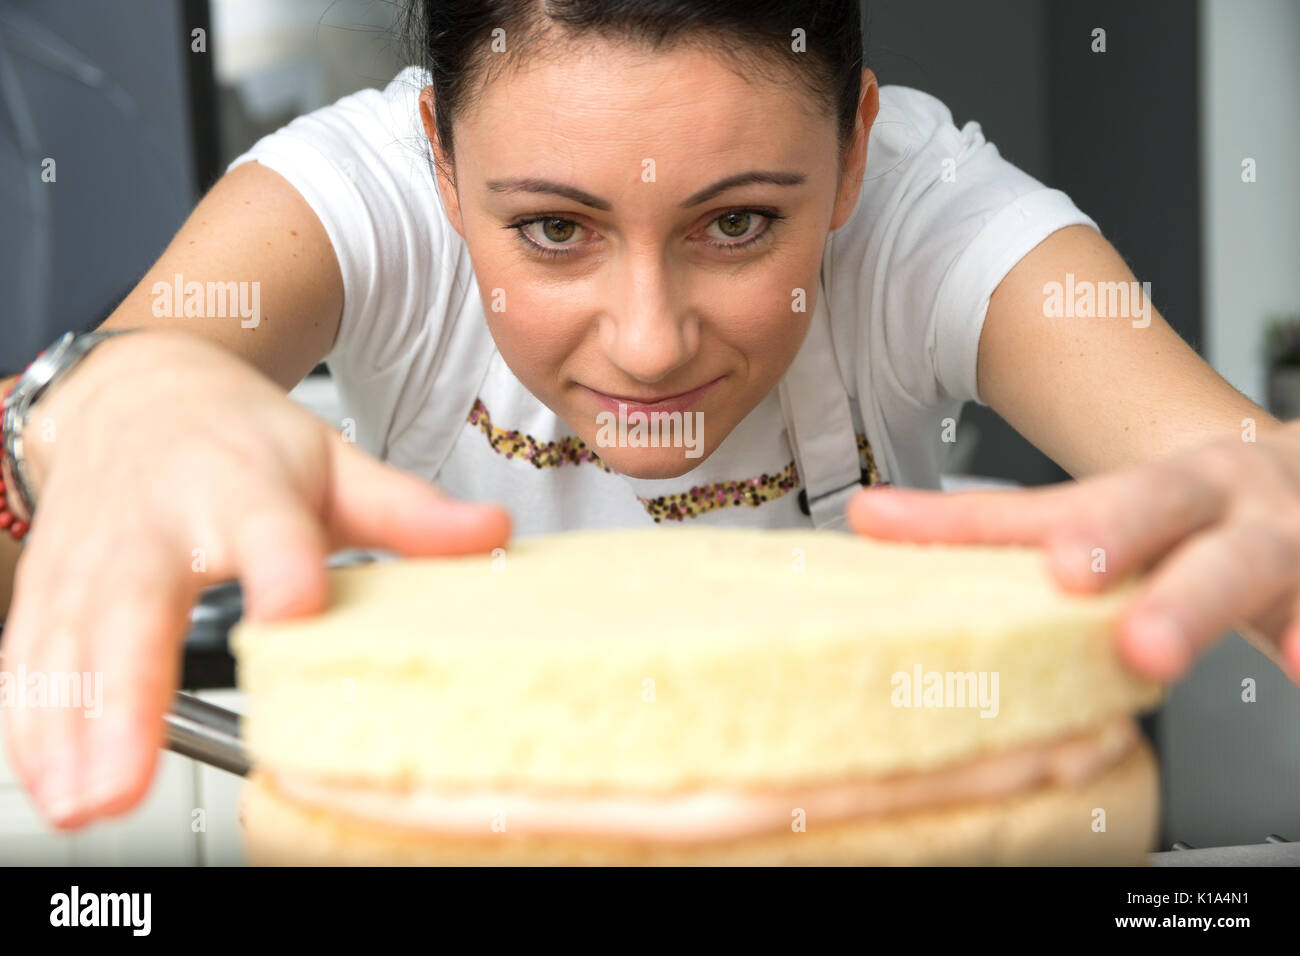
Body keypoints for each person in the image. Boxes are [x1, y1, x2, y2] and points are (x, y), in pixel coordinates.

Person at [1, 0, 1296, 835]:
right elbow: (108, 413)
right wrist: (73, 422)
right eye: (554, 230)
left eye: (737, 224)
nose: (650, 340)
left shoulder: (932, 213)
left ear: (853, 153)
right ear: (439, 165)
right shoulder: (351, 195)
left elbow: (1231, 476)